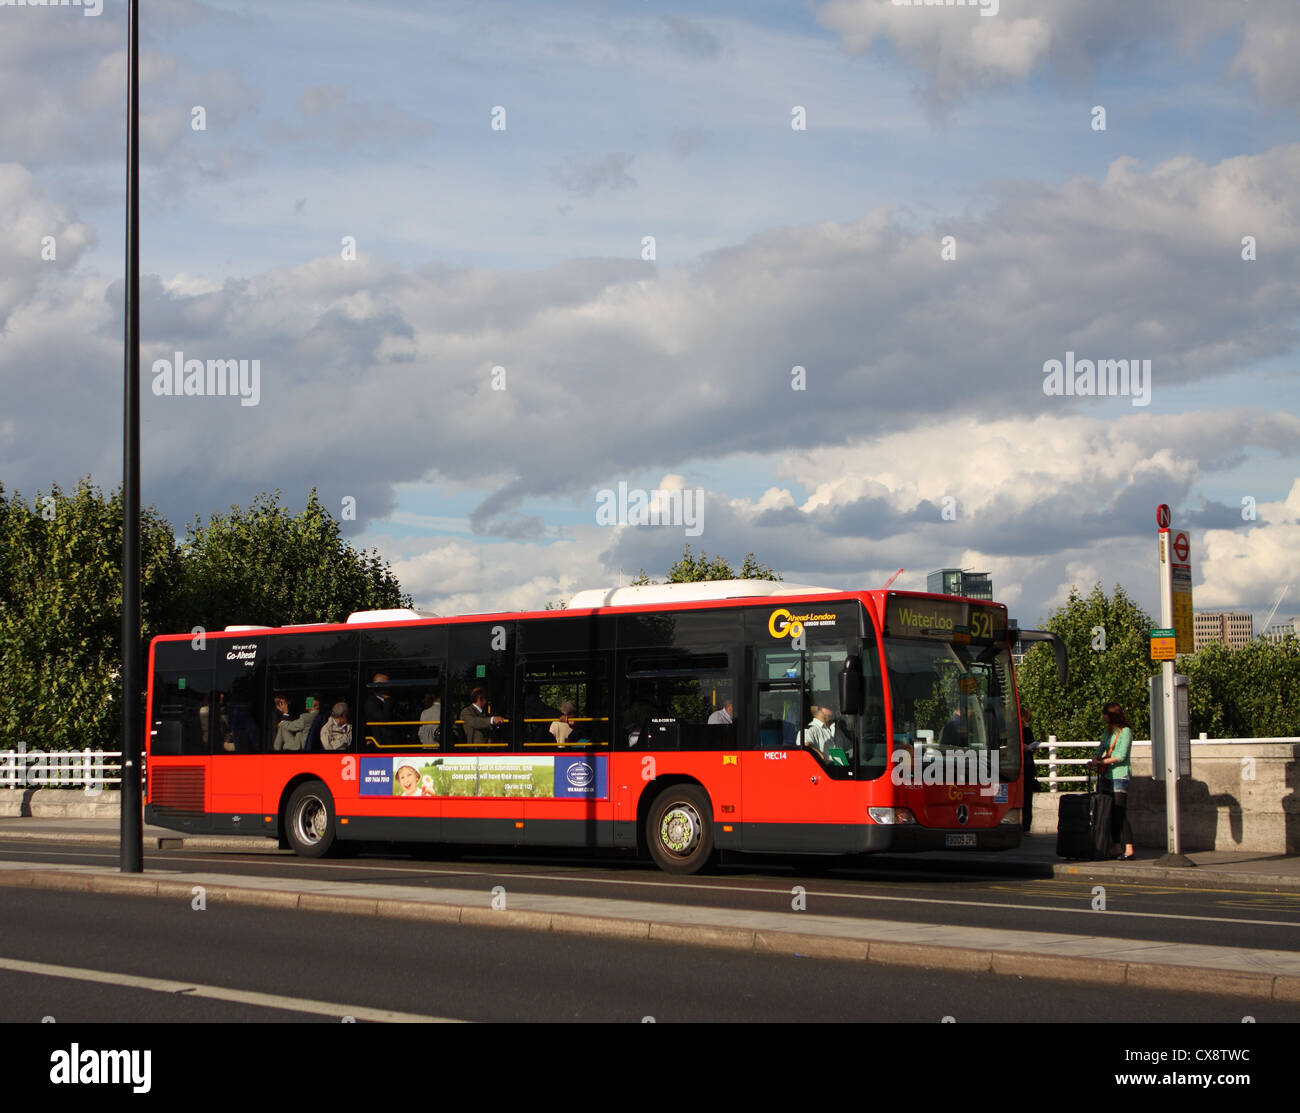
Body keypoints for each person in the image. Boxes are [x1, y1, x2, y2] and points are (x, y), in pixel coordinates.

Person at [1091, 701, 1135, 859]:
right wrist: (1095, 757)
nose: (1103, 717)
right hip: (1107, 776)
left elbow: (1121, 756)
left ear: (1112, 715)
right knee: (1108, 811)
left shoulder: (1125, 732)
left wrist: (1101, 762)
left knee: (1120, 812)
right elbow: (1101, 747)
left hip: (1120, 775)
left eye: (1105, 714)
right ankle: (1116, 847)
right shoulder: (1108, 731)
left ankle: (1129, 847)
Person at [1020, 705, 1039, 834]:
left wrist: (1032, 747)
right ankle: (1023, 825)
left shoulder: (1027, 731)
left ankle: (1026, 825)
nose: (1024, 723)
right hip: (1021, 764)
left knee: (1027, 796)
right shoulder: (1015, 731)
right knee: (1024, 796)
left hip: (1027, 765)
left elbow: (1032, 745)